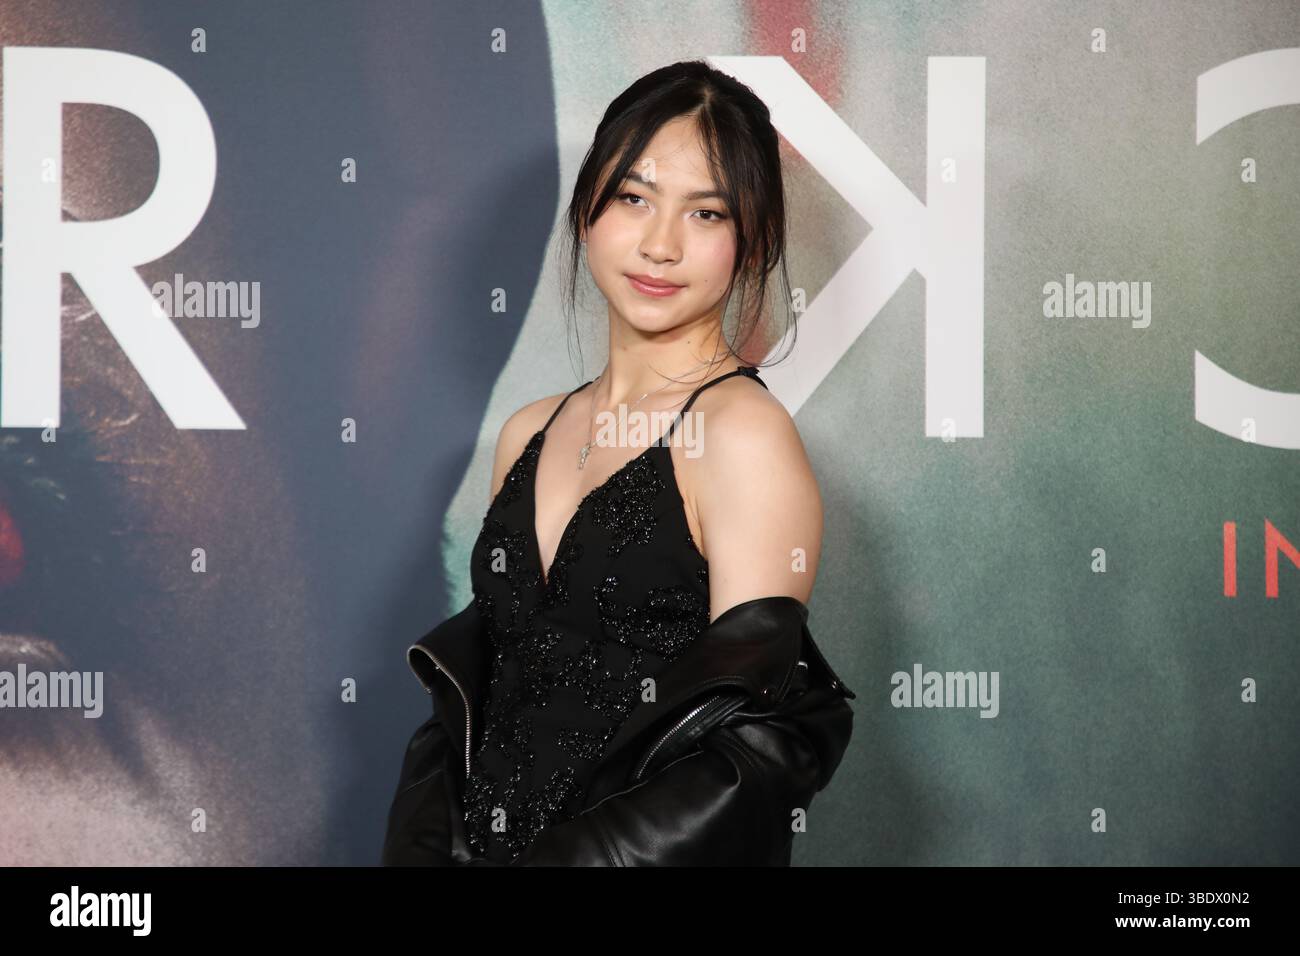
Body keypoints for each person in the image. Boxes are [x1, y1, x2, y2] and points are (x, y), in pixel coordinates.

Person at [382, 60, 855, 866]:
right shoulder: (529, 433)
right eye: (634, 198)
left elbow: (757, 749)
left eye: (706, 213)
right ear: (587, 211)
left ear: (751, 241)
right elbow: (486, 700)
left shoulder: (742, 435)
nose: (660, 245)